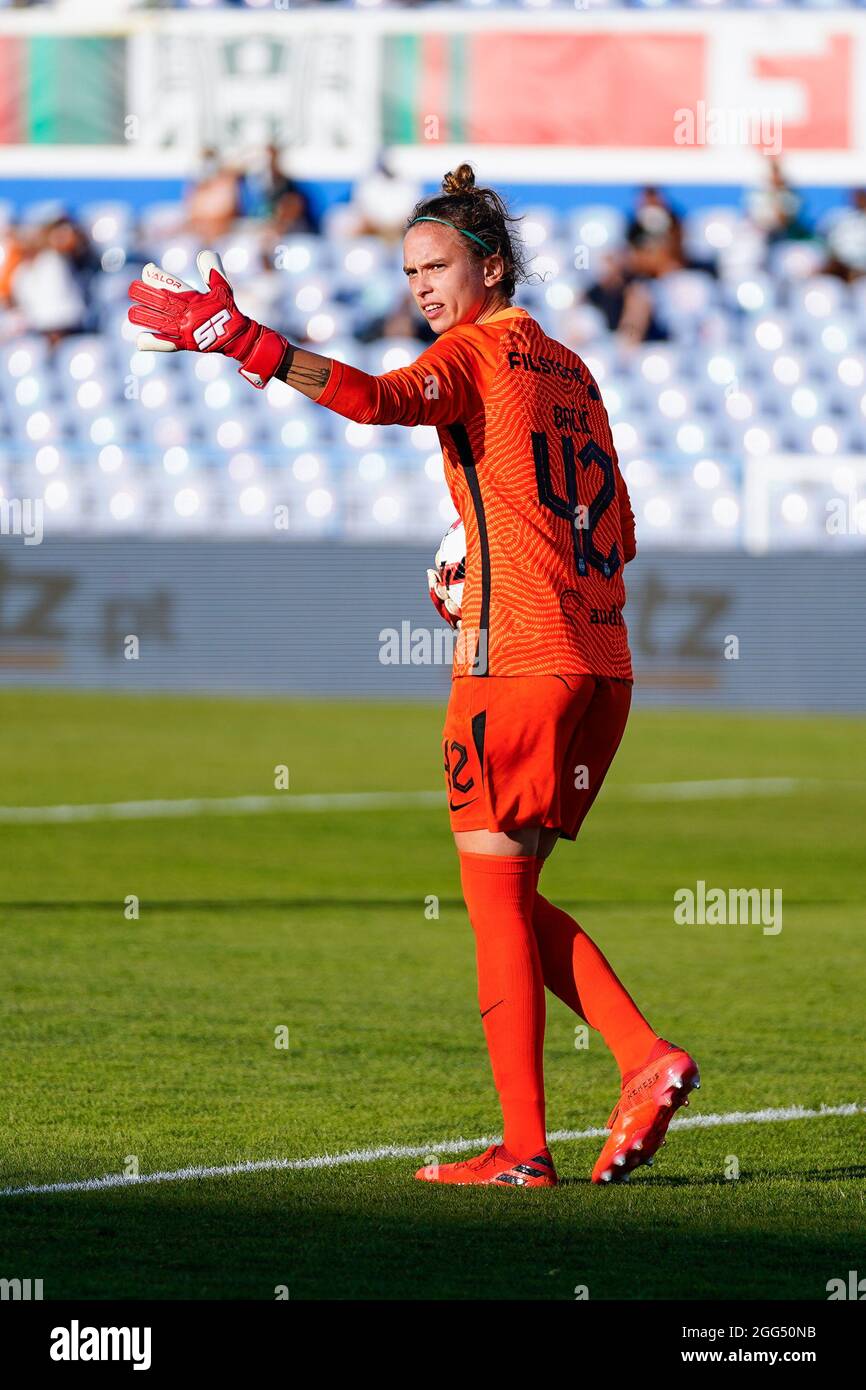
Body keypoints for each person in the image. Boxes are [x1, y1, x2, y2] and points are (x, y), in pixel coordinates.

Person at [127, 163, 700, 1189]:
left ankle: (533, 1145)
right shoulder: (572, 368)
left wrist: (243, 341)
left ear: (489, 265)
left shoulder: (471, 353)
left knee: (491, 907)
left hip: (514, 661)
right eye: (409, 272)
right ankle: (631, 1065)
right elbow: (618, 531)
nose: (420, 288)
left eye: (436, 267)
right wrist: (488, 553)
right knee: (509, 900)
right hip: (601, 664)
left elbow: (380, 399)